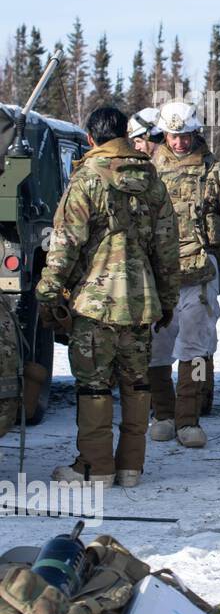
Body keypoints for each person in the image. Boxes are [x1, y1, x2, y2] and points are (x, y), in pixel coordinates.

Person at [36, 106, 179, 486]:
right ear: (126, 137)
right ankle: (131, 466)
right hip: (141, 303)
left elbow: (65, 244)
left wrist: (48, 291)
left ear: (90, 139)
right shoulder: (153, 181)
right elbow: (168, 249)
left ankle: (95, 466)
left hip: (94, 304)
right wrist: (167, 301)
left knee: (94, 386)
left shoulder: (87, 179)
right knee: (137, 384)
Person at [146, 101, 220, 447]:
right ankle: (163, 415)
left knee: (197, 347)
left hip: (200, 273)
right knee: (157, 346)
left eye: (186, 136)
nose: (180, 143)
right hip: (160, 274)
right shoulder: (149, 172)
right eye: (173, 136)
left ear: (196, 133)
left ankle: (188, 419)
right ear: (164, 135)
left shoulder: (214, 171)